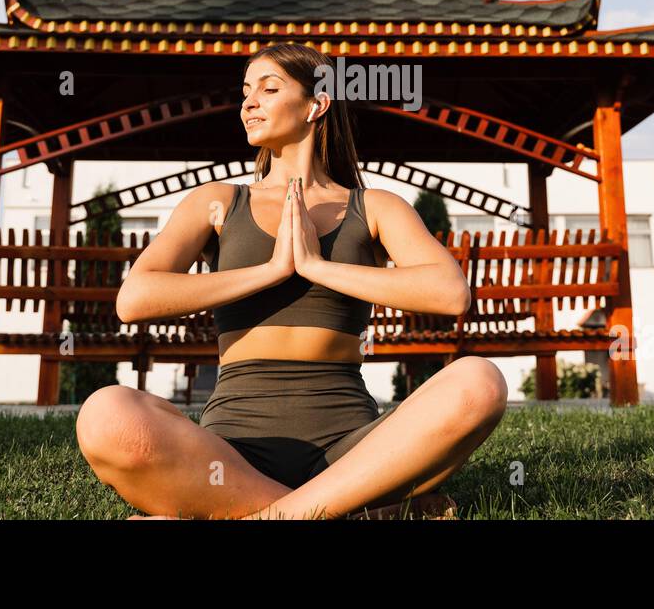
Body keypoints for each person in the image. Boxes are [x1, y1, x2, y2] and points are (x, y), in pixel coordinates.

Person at [75, 42, 508, 519]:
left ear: (317, 104)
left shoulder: (375, 206)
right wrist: (270, 271)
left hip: (354, 451)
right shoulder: (218, 203)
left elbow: (449, 293)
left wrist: (317, 267)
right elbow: (134, 298)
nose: (248, 102)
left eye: (269, 88)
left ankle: (272, 514)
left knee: (479, 380)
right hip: (234, 453)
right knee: (106, 413)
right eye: (245, 91)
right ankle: (351, 511)